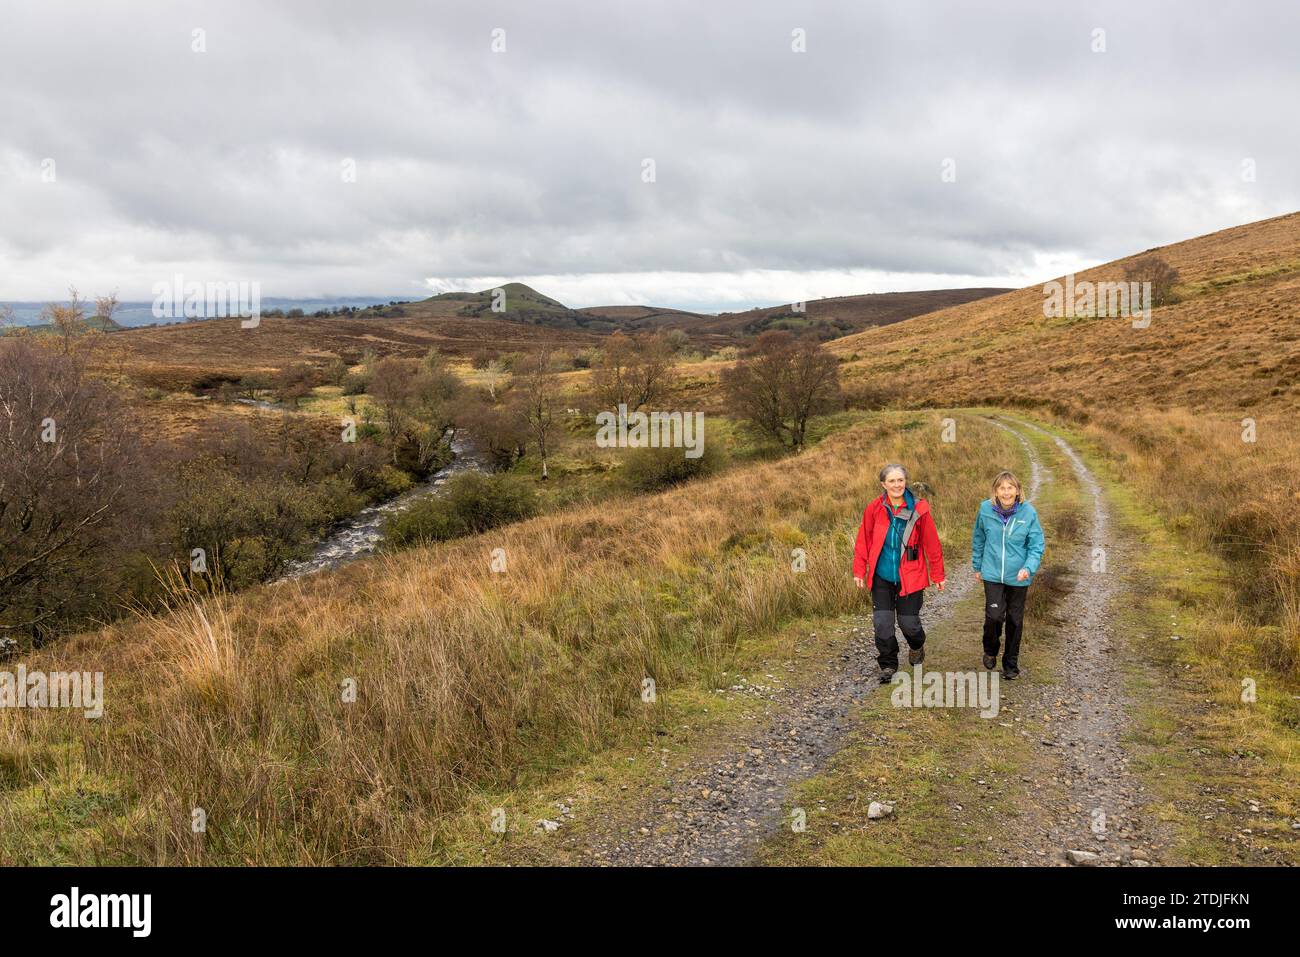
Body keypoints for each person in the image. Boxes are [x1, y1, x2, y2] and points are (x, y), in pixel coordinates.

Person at [853, 463, 946, 684]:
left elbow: (931, 544)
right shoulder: (874, 508)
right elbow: (863, 541)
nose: (897, 485)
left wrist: (938, 574)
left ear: (906, 482)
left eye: (900, 480)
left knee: (909, 624)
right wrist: (859, 570)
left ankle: (916, 645)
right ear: (883, 484)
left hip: (911, 576)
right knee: (882, 623)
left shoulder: (919, 509)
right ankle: (887, 664)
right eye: (892, 481)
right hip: (881, 577)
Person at [971, 470, 1045, 680]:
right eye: (1002, 488)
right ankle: (990, 649)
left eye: (1010, 488)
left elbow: (1036, 545)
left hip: (1019, 576)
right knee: (994, 616)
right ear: (995, 491)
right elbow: (978, 538)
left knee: (1014, 619)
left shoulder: (1028, 513)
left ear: (1017, 490)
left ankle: (1011, 664)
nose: (1006, 492)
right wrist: (977, 567)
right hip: (992, 573)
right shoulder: (985, 509)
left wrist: (1028, 567)